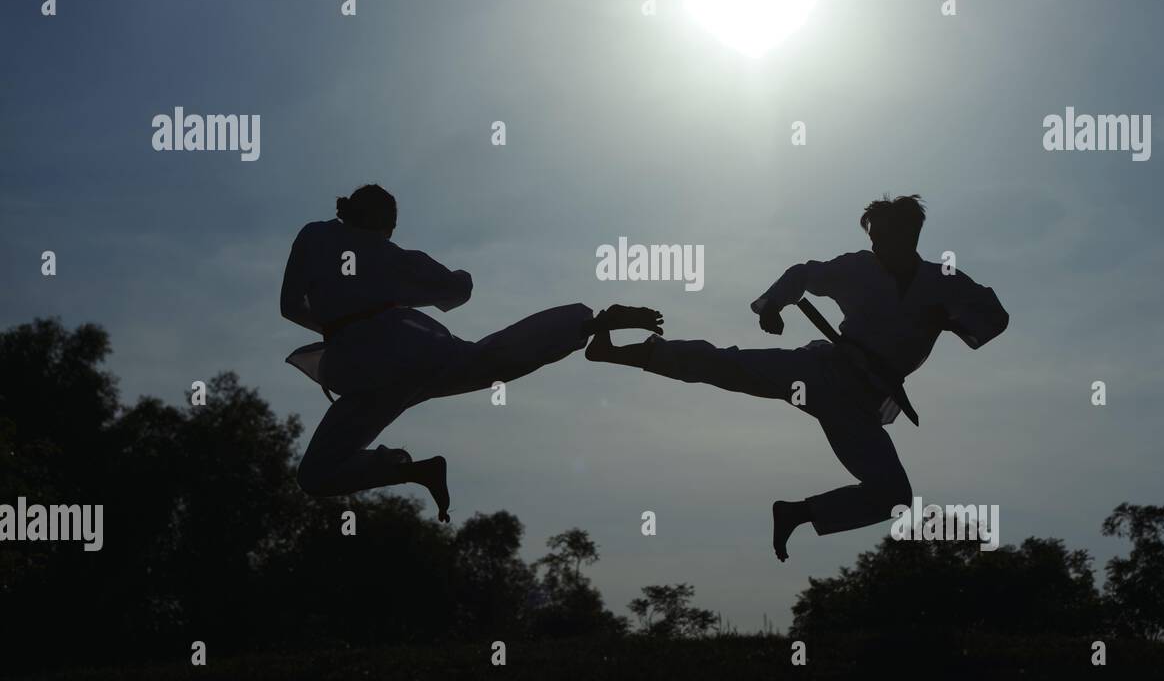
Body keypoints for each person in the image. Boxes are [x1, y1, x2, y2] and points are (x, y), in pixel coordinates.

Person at [585, 194, 1009, 561]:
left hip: (862, 404)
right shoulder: (861, 267)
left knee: (895, 497)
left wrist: (954, 319)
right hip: (823, 374)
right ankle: (616, 352)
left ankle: (797, 512)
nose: (877, 244)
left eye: (884, 236)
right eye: (873, 237)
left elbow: (995, 316)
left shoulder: (943, 282)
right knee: (725, 365)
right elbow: (805, 274)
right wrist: (773, 306)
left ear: (910, 235)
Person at [280, 184, 662, 519]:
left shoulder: (314, 236)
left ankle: (405, 468)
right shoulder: (395, 257)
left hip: (359, 368)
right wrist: (457, 277)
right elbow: (457, 290)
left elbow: (290, 307)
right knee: (491, 359)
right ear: (387, 226)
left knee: (315, 476)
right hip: (414, 347)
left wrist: (339, 327)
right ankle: (590, 323)